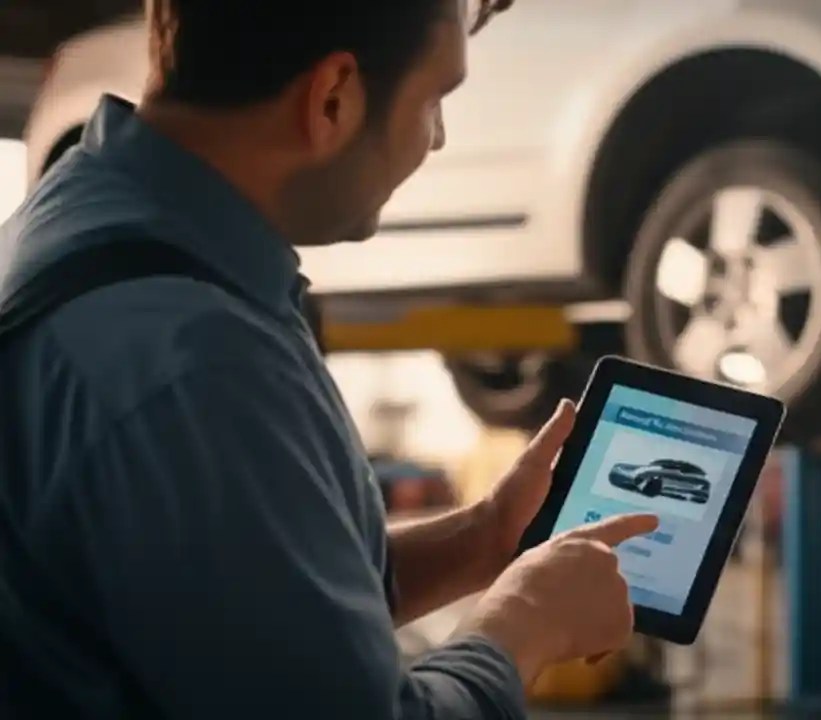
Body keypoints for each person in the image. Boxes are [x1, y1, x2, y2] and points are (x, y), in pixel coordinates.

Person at [0, 0, 659, 717]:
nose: (436, 138)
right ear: (333, 97)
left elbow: (239, 611)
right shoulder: (197, 365)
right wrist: (529, 622)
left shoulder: (87, 227)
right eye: (436, 98)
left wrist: (482, 539)